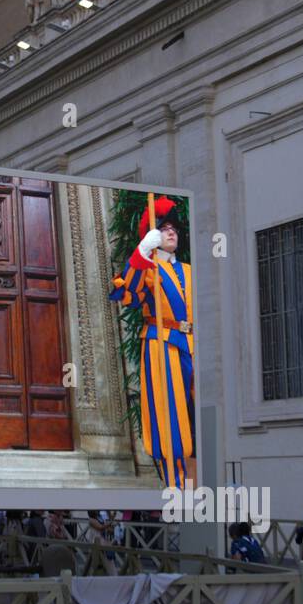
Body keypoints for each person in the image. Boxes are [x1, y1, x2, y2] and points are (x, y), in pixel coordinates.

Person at [110, 196, 195, 488]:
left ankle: (202, 473)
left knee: (197, 411)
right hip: (162, 341)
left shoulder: (188, 269)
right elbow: (126, 295)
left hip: (195, 343)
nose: (172, 232)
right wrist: (142, 250)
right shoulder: (147, 268)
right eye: (165, 229)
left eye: (175, 229)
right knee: (167, 410)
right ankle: (176, 480)